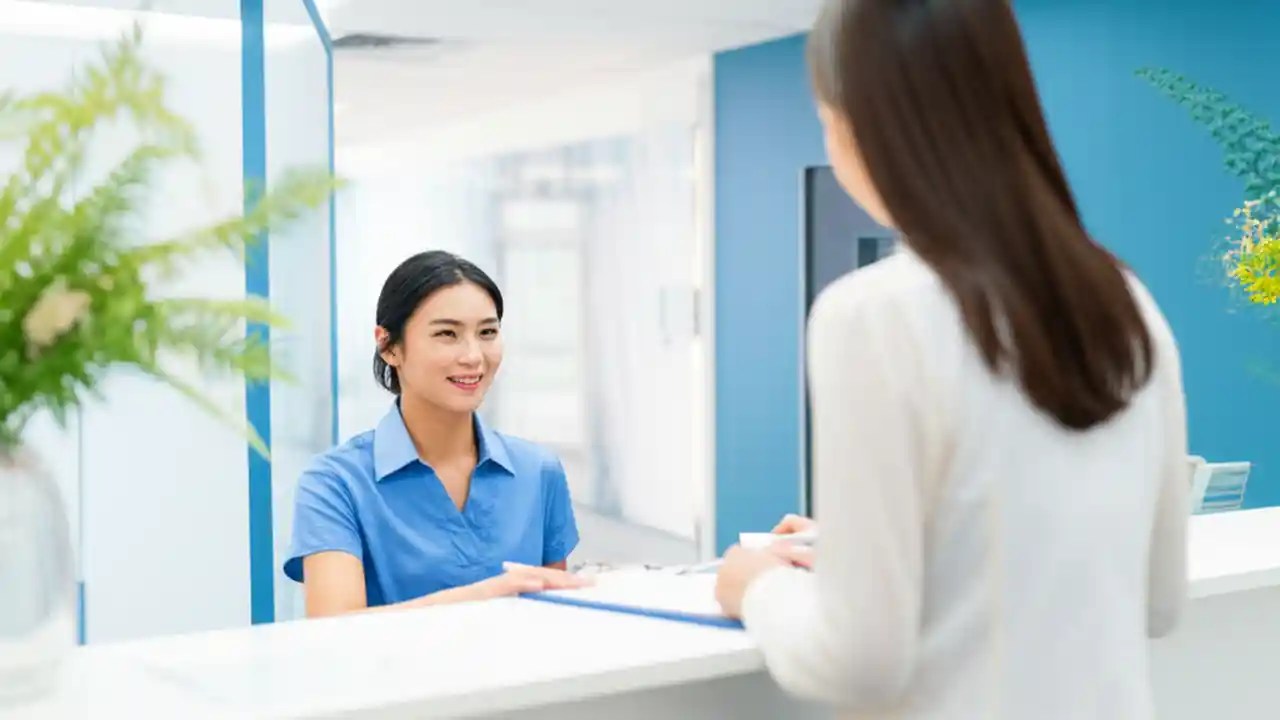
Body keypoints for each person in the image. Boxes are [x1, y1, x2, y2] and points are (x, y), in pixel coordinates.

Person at [714, 1, 1189, 718]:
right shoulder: (1127, 302)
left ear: (858, 119)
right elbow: (1156, 602)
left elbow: (857, 666)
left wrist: (756, 587)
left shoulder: (871, 314)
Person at [285, 251, 587, 617]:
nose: (474, 356)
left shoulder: (538, 471)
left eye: (487, 332)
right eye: (447, 334)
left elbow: (555, 619)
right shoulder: (336, 483)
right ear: (388, 345)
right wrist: (493, 593)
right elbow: (333, 627)